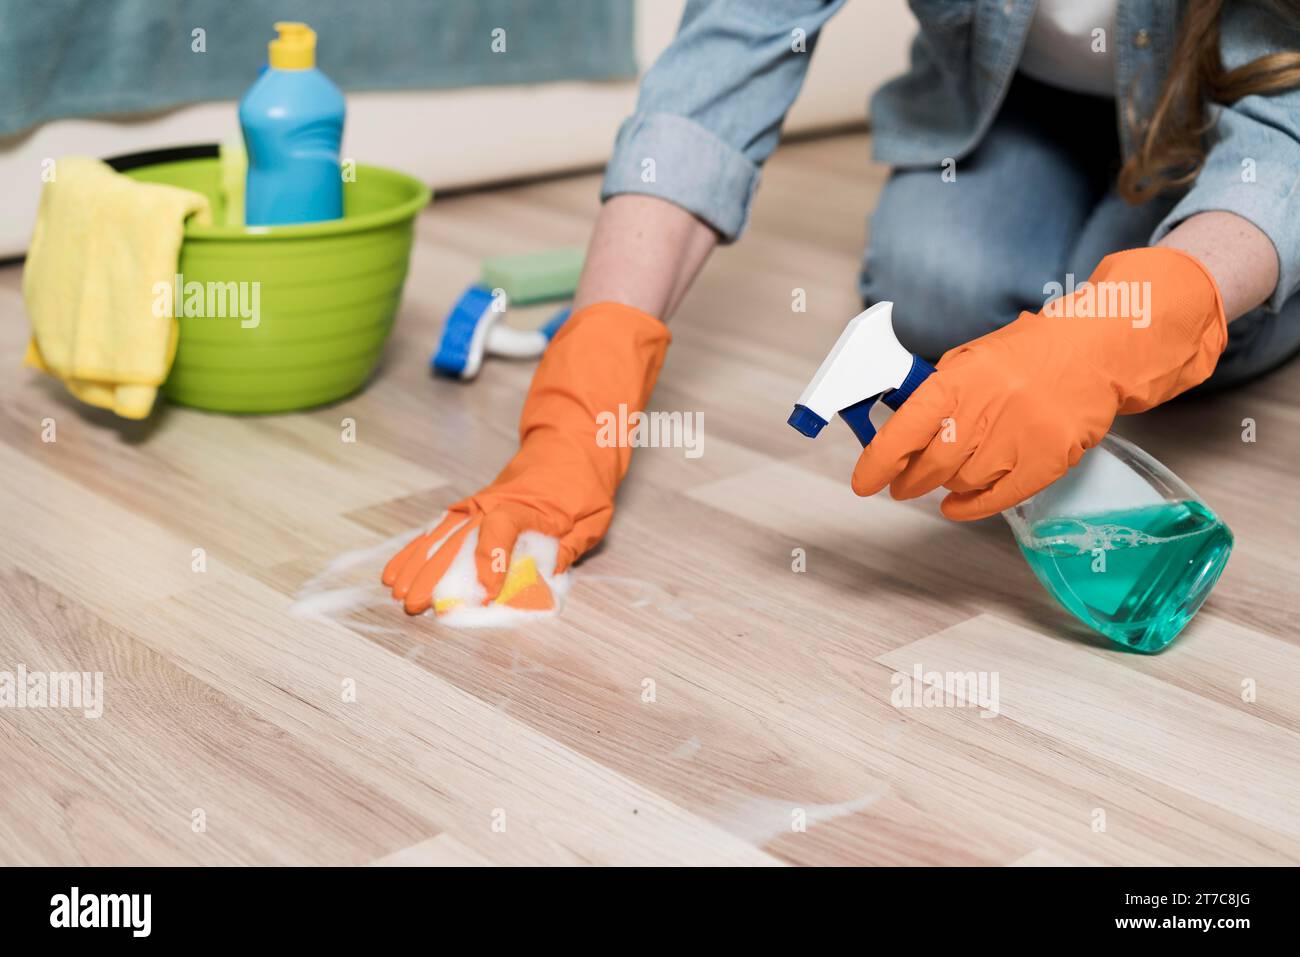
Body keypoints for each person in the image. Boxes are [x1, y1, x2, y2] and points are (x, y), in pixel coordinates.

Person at [384, 0, 1300, 615]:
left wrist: (1145, 315)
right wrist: (583, 394)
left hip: (1243, 107)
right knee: (938, 282)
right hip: (1015, 105)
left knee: (1184, 311)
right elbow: (735, 42)